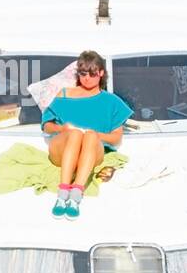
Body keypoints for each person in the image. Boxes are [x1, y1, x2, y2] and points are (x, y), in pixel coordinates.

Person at [41, 50, 132, 218]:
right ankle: (62, 194)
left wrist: (96, 134)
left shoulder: (112, 102)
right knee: (75, 134)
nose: (87, 78)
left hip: (92, 150)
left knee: (89, 136)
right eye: (83, 73)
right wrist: (62, 129)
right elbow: (46, 126)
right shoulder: (64, 94)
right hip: (62, 148)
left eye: (92, 73)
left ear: (101, 73)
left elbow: (116, 137)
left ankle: (75, 195)